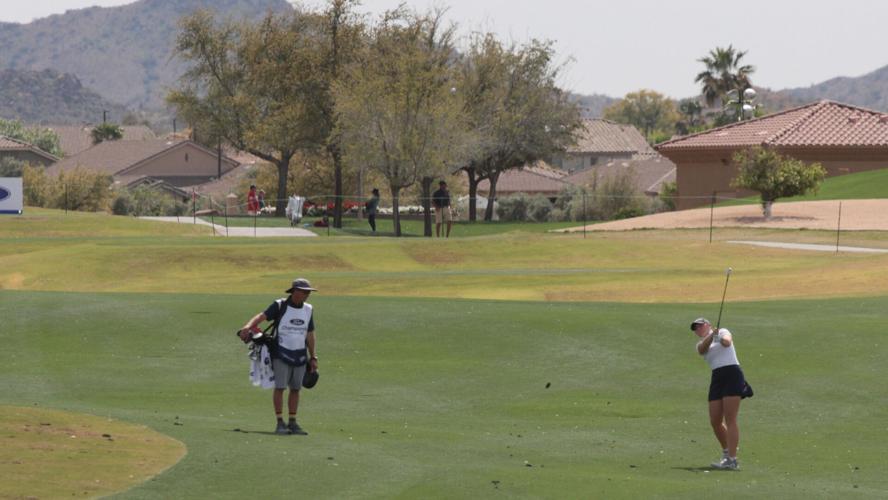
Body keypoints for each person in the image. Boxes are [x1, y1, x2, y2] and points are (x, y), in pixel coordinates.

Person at [239, 278, 319, 435]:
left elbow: (310, 334)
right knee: (280, 387)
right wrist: (248, 326)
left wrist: (313, 356)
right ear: (295, 291)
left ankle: (293, 422)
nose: (307, 294)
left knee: (296, 388)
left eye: (308, 292)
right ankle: (280, 422)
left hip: (300, 354)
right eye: (304, 291)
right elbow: (261, 316)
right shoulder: (280, 305)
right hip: (280, 352)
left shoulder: (308, 309)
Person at [691, 317, 748, 470]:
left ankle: (732, 459)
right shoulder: (700, 344)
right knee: (715, 420)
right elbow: (703, 349)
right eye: (695, 328)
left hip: (732, 374)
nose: (698, 329)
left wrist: (719, 336)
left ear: (708, 325)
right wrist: (711, 336)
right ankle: (726, 452)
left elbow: (727, 342)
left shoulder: (723, 331)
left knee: (730, 418)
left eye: (700, 325)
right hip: (717, 377)